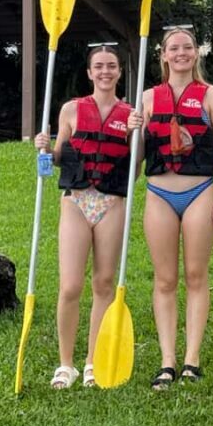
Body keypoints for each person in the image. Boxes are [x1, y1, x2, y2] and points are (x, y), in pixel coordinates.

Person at [129, 28, 213, 390]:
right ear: (164, 55)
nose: (182, 53)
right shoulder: (148, 98)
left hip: (200, 191)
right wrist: (134, 131)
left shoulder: (211, 95)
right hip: (159, 193)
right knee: (165, 279)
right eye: (175, 48)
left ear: (196, 53)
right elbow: (137, 161)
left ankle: (192, 359)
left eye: (187, 47)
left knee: (195, 275)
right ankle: (167, 360)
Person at [34, 45, 134, 389]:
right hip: (76, 200)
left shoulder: (131, 114)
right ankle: (66, 364)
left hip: (112, 203)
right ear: (89, 73)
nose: (105, 72)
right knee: (70, 285)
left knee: (103, 284)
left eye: (111, 66)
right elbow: (59, 156)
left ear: (119, 72)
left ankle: (93, 360)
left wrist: (137, 135)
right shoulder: (72, 110)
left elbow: (134, 171)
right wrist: (45, 148)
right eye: (98, 67)